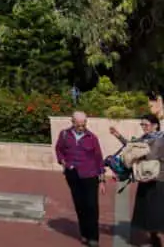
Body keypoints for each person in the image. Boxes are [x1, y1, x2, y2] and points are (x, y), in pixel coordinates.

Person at [112, 101, 163, 247]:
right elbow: (130, 146)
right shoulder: (144, 138)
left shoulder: (161, 139)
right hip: (144, 177)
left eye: (146, 125)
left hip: (158, 179)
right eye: (142, 125)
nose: (143, 127)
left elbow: (150, 155)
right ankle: (152, 234)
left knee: (156, 209)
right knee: (145, 208)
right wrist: (118, 136)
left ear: (155, 125)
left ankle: (156, 237)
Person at [54, 111, 106, 247]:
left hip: (90, 175)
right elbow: (58, 149)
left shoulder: (92, 137)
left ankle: (93, 238)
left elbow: (98, 158)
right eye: (79, 125)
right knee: (80, 205)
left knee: (91, 206)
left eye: (84, 125)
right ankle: (85, 234)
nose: (82, 127)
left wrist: (102, 180)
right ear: (72, 122)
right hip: (72, 174)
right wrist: (63, 161)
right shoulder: (64, 135)